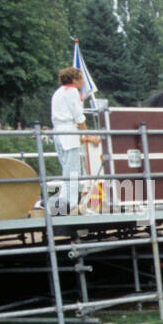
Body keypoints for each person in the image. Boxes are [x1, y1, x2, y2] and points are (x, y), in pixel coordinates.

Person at [49, 67, 96, 214]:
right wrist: (87, 135)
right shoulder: (72, 92)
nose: (83, 81)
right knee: (73, 170)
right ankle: (69, 203)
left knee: (67, 169)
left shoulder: (58, 92)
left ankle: (64, 202)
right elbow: (78, 116)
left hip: (58, 132)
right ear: (74, 80)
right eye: (81, 78)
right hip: (68, 133)